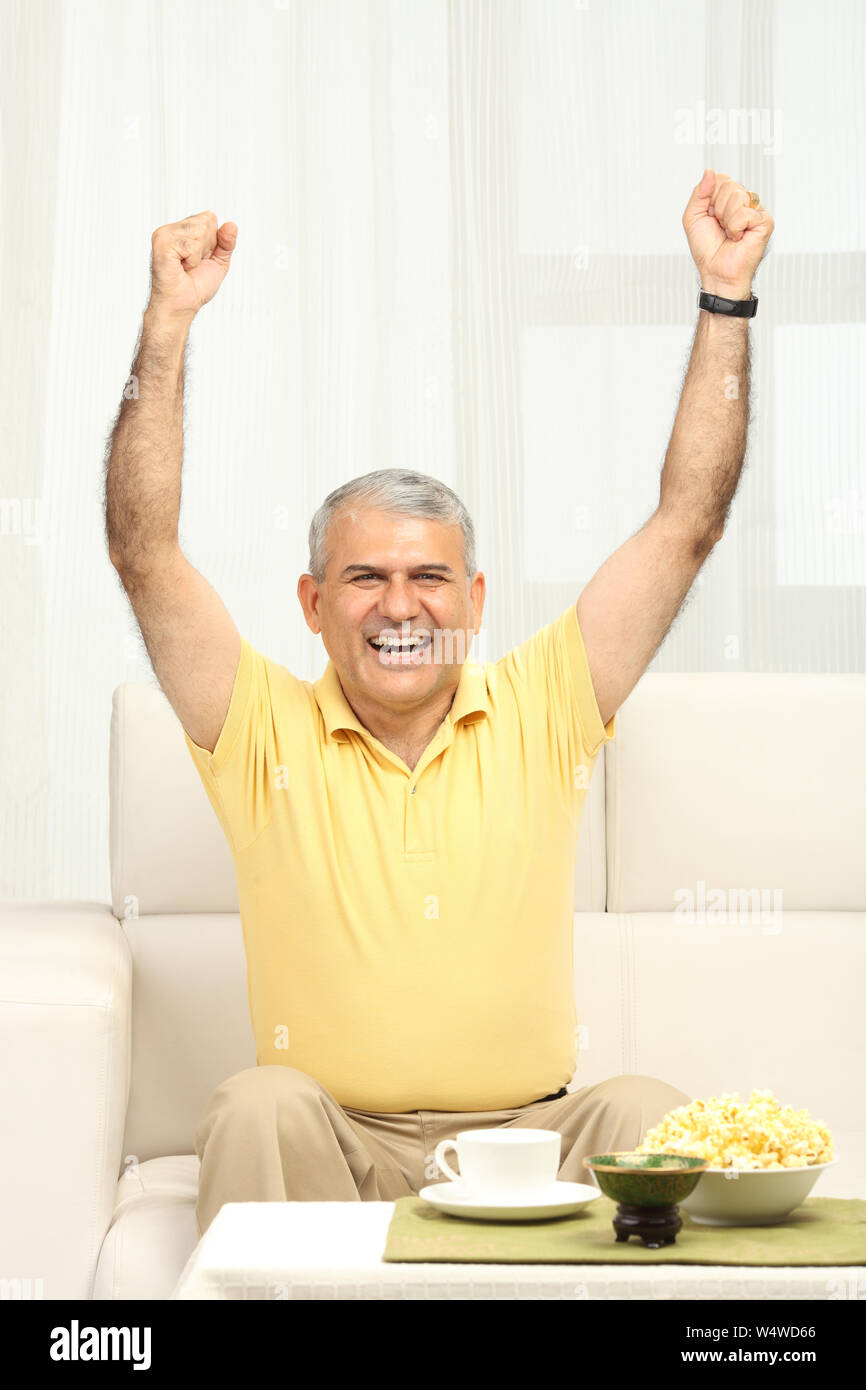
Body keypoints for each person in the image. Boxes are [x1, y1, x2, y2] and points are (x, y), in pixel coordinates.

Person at [104, 172, 774, 1236]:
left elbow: (687, 520)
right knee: (255, 1103)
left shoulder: (545, 699)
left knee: (648, 1112)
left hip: (530, 1145)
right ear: (315, 604)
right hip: (333, 1140)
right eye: (365, 578)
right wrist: (167, 322)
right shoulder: (257, 724)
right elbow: (144, 553)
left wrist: (723, 297)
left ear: (472, 599)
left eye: (428, 578)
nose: (399, 605)